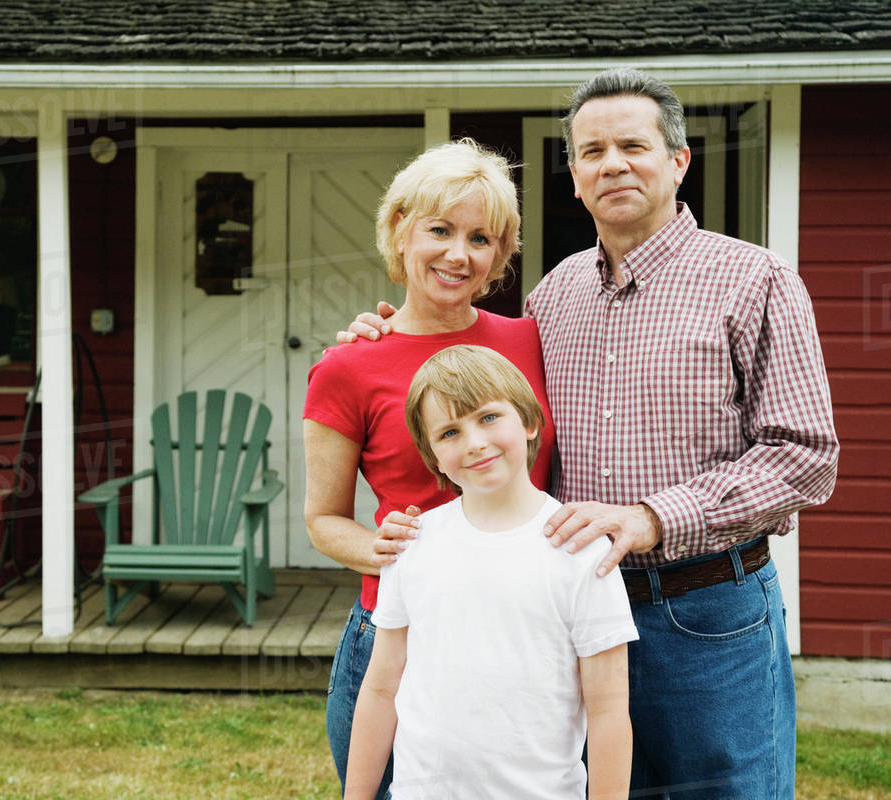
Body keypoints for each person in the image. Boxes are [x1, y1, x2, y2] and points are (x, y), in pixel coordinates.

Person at [342, 68, 840, 799]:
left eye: (633, 146)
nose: (613, 165)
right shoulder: (553, 298)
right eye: (592, 152)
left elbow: (806, 457)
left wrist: (651, 518)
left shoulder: (754, 280)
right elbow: (472, 380)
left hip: (705, 611)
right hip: (559, 614)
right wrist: (387, 334)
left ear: (678, 161)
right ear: (574, 177)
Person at [304, 139, 556, 799]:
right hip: (402, 633)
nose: (458, 254)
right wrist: (380, 548)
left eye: (480, 238)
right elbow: (324, 519)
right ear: (399, 231)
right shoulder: (346, 367)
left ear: (500, 254)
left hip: (524, 630)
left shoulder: (529, 341)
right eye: (439, 230)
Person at [344, 345, 636, 800]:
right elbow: (381, 688)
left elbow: (609, 709)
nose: (475, 443)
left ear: (530, 421)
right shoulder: (411, 544)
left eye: (488, 418)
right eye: (449, 432)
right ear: (433, 456)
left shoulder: (581, 548)